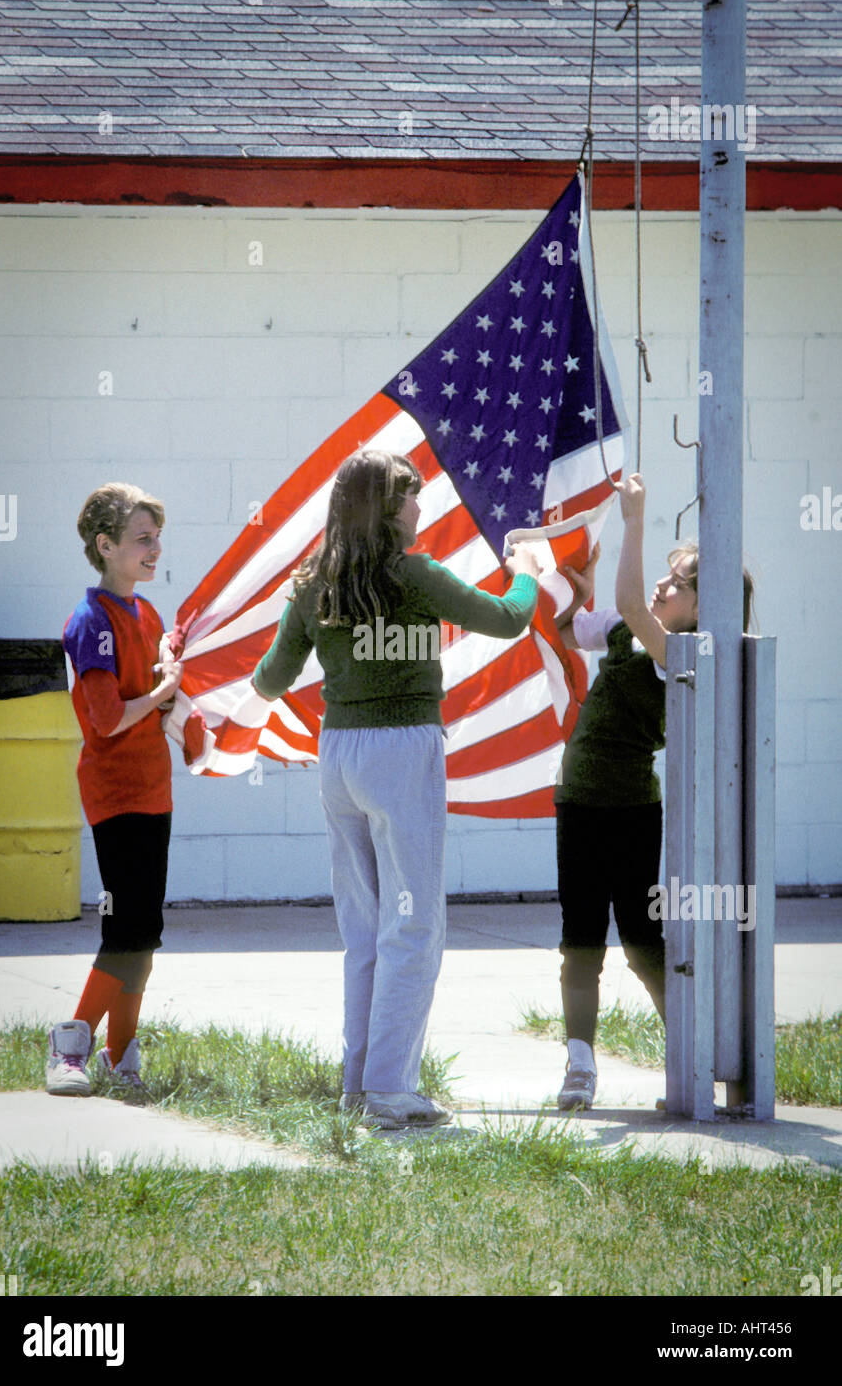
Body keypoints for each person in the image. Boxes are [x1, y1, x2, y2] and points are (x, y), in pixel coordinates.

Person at [251, 449, 542, 1130]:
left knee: (364, 929)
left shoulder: (313, 582)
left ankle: (360, 1085)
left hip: (339, 756)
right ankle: (388, 1091)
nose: (419, 508)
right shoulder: (413, 573)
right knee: (413, 925)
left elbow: (268, 682)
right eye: (409, 497)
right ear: (386, 510)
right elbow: (507, 618)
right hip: (403, 751)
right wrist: (525, 570)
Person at [552, 472, 754, 1111]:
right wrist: (577, 598)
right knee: (580, 936)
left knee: (643, 940)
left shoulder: (682, 652)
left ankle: (689, 1060)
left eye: (682, 584)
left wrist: (634, 520)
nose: (665, 586)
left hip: (633, 811)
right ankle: (579, 1063)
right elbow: (569, 632)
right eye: (668, 577)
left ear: (704, 606)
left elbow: (637, 609)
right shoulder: (622, 629)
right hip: (577, 803)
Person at [49, 483, 183, 1097]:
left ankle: (121, 1053)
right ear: (106, 546)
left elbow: (156, 705)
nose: (155, 549)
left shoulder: (148, 615)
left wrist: (180, 709)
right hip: (115, 792)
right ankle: (69, 1047)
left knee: (146, 930)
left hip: (154, 788)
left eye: (156, 537)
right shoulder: (91, 619)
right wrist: (160, 696)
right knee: (123, 928)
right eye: (142, 539)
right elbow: (106, 718)